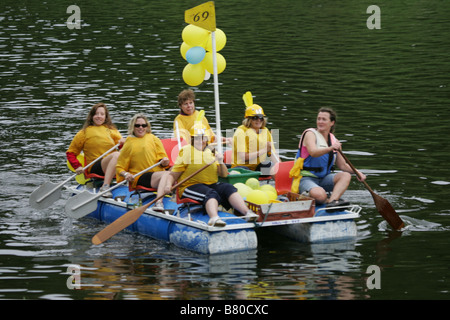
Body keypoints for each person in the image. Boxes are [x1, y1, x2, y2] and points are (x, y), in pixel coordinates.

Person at [164, 121, 258, 227]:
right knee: (211, 193)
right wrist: (168, 185)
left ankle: (247, 213)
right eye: (197, 138)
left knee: (228, 187)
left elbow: (223, 175)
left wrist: (221, 162)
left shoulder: (212, 151)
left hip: (210, 184)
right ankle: (214, 218)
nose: (201, 141)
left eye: (203, 138)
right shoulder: (186, 152)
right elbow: (173, 175)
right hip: (189, 186)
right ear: (192, 139)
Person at [295, 107, 366, 208]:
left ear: (332, 123)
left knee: (346, 175)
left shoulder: (334, 141)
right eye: (318, 119)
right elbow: (313, 152)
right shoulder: (310, 134)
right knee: (320, 195)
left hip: (324, 179)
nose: (320, 121)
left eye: (324, 119)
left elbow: (343, 166)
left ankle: (332, 201)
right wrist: (331, 148)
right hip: (305, 179)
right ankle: (320, 197)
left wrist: (357, 172)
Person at [66, 103, 125, 198]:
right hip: (95, 167)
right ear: (92, 116)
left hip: (114, 165)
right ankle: (105, 187)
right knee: (117, 155)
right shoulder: (83, 133)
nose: (99, 116)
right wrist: (77, 166)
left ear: (105, 117)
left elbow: (124, 149)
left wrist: (126, 143)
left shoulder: (112, 130)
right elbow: (71, 153)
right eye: (96, 114)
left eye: (102, 114)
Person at [116, 114, 170, 212]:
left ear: (147, 126)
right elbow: (119, 167)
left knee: (173, 172)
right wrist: (126, 174)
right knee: (166, 174)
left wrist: (165, 162)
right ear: (133, 127)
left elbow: (163, 162)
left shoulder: (154, 139)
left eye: (143, 125)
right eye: (137, 125)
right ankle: (159, 202)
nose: (141, 128)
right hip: (140, 176)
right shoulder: (129, 142)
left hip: (156, 174)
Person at [231, 103, 279, 176]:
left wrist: (280, 166)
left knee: (271, 166)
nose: (259, 120)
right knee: (246, 171)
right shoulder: (241, 132)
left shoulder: (265, 131)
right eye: (255, 118)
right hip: (241, 168)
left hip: (257, 167)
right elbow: (244, 157)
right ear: (249, 119)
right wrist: (264, 150)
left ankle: (280, 186)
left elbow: (273, 154)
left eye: (261, 118)